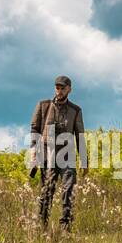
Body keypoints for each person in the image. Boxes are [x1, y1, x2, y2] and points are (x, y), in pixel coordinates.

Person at [29, 75, 86, 229]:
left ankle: (65, 227)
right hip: (47, 152)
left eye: (63, 88)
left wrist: (84, 160)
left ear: (69, 89)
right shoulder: (43, 106)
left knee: (69, 189)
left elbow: (80, 135)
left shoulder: (75, 110)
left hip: (67, 154)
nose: (59, 91)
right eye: (57, 88)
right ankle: (42, 226)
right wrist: (33, 151)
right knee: (47, 190)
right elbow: (34, 128)